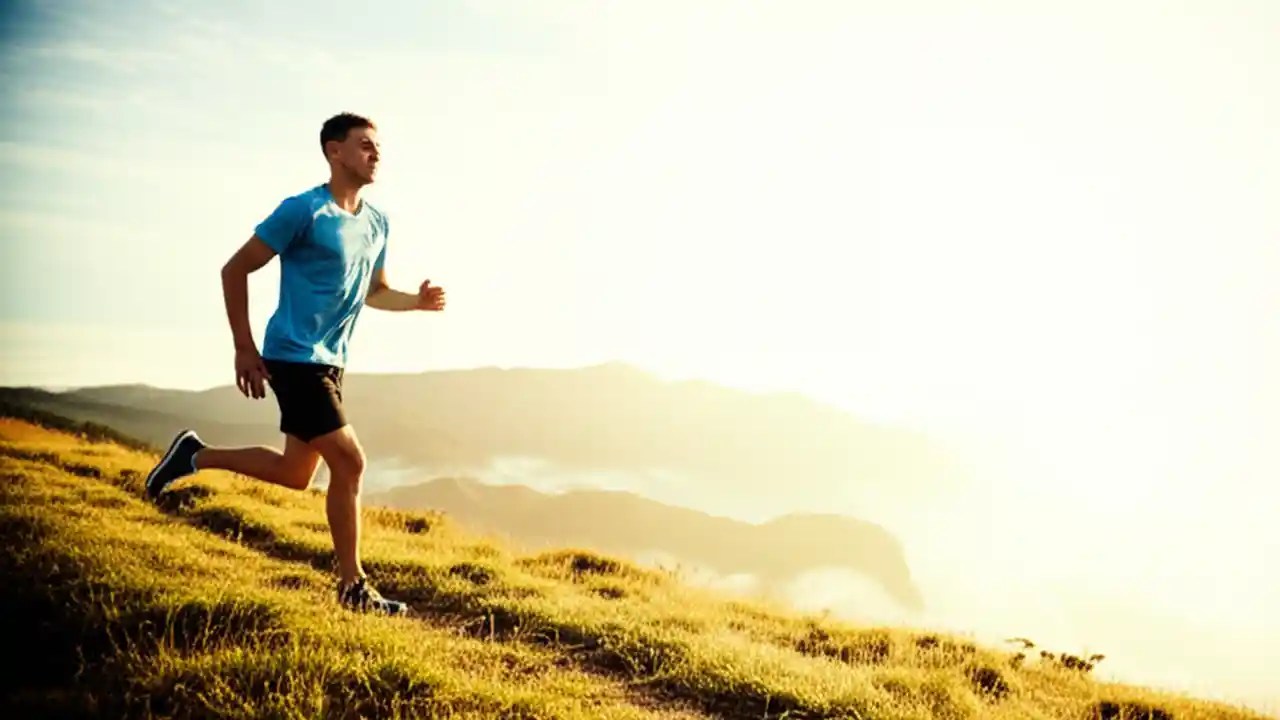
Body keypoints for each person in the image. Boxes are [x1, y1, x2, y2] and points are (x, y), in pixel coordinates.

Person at [143, 112, 446, 615]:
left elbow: (376, 292)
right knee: (350, 461)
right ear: (334, 151)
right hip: (293, 354)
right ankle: (353, 589)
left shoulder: (377, 222)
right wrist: (244, 347)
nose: (375, 154)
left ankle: (193, 455)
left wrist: (415, 301)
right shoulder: (303, 210)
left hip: (331, 362)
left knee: (295, 473)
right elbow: (235, 268)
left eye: (378, 147)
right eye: (365, 145)